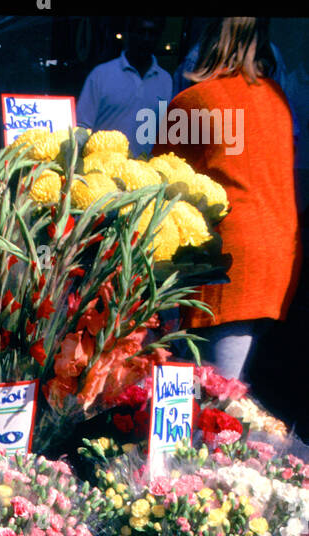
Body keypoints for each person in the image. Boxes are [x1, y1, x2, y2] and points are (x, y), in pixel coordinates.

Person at [154, 16, 301, 381]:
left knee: (212, 404)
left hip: (228, 268)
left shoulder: (195, 100)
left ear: (207, 37)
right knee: (231, 397)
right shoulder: (277, 99)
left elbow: (157, 188)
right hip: (278, 264)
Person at [76, 19, 172, 153]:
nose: (146, 38)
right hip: (101, 168)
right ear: (128, 34)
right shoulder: (101, 75)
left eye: (152, 33)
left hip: (145, 170)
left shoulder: (166, 81)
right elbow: (81, 128)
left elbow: (165, 133)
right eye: (141, 32)